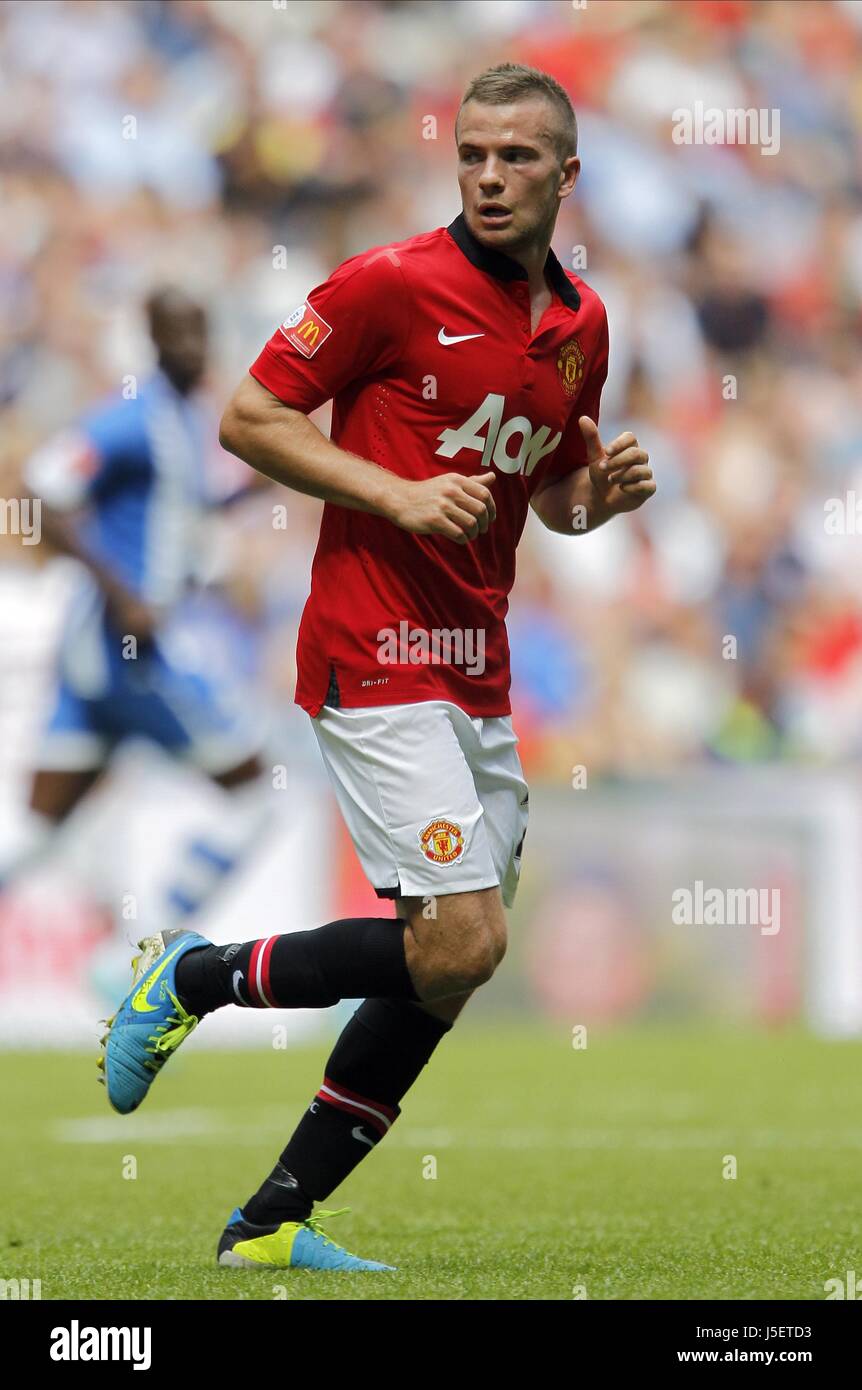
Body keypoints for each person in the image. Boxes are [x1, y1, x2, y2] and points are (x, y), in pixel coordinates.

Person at [101, 63, 656, 1274]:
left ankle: (271, 1222)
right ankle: (191, 977)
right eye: (472, 154)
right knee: (462, 942)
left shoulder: (581, 329)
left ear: (569, 174)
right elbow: (251, 418)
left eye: (517, 157)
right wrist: (397, 493)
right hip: (373, 647)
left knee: (445, 962)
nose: (491, 176)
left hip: (476, 665)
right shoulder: (391, 285)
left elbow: (546, 497)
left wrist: (589, 498)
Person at [5, 289, 272, 947]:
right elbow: (38, 487)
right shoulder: (132, 418)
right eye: (177, 335)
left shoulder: (183, 420)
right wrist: (122, 594)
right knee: (255, 793)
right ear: (152, 342)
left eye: (199, 333)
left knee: (38, 833)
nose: (191, 348)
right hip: (128, 652)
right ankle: (142, 953)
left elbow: (182, 517)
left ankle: (136, 952)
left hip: (98, 662)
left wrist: (249, 489)